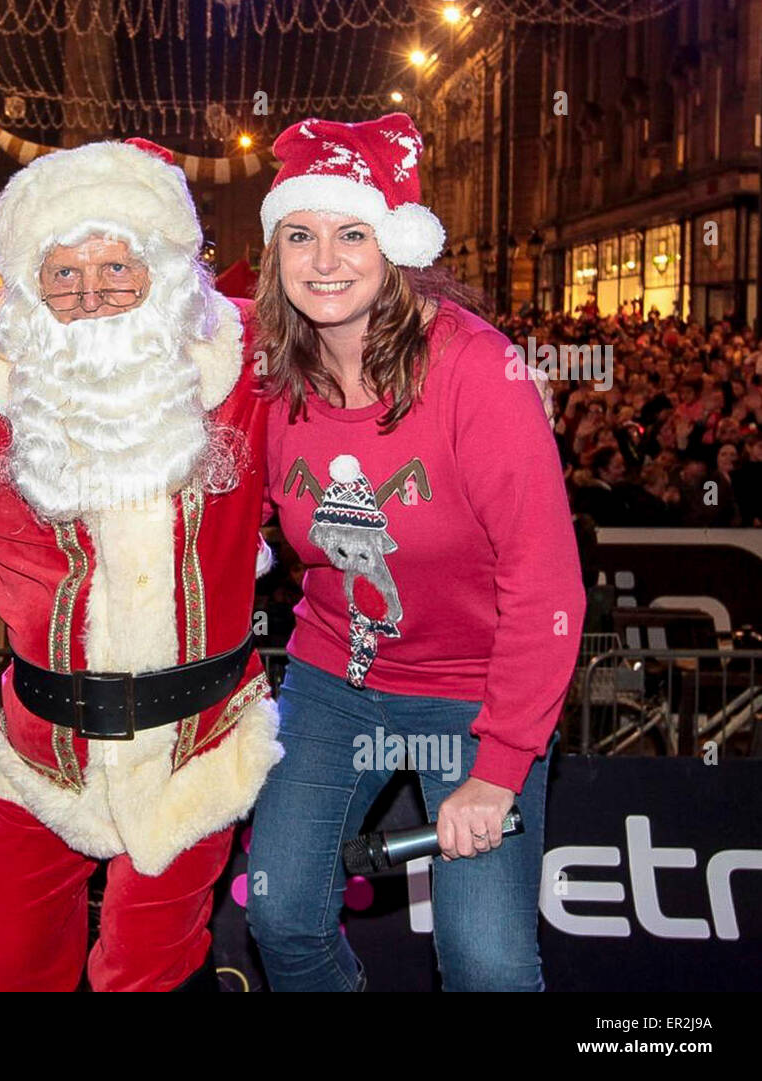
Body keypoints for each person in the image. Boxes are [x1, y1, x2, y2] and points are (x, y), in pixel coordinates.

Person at [245, 114, 585, 991]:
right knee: (280, 912)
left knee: (490, 964)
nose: (325, 258)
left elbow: (547, 586)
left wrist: (500, 768)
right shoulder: (267, 372)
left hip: (473, 694)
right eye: (301, 234)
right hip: (332, 681)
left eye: (352, 232)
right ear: (275, 251)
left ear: (394, 244)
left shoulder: (479, 372)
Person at [0, 138, 282, 992]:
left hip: (196, 746)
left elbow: (366, 330)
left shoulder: (247, 367)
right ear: (29, 286)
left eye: (117, 269)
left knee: (147, 975)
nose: (92, 296)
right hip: (40, 750)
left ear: (161, 269)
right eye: (63, 273)